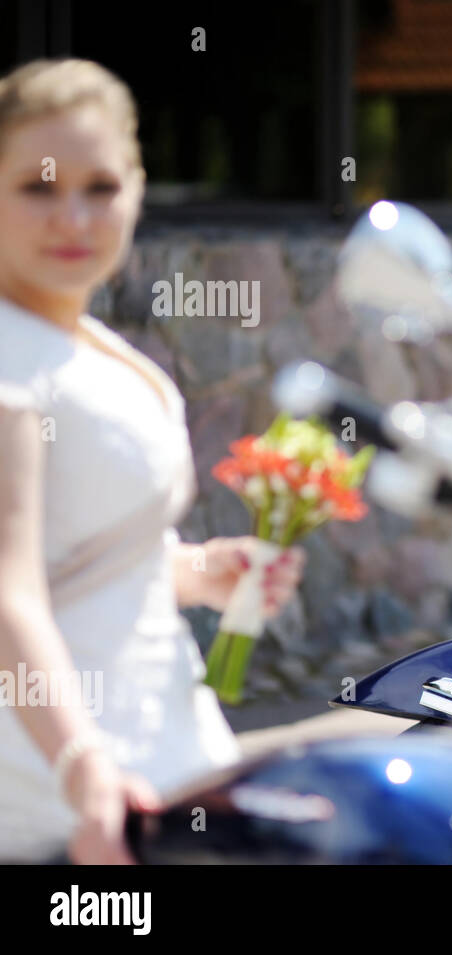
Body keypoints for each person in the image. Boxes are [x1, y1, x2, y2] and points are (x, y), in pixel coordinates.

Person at [0, 59, 305, 864]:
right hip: (69, 811)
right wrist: (84, 767)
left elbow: (86, 553)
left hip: (168, 767)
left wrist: (204, 570)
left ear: (136, 190)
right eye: (37, 186)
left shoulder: (89, 347)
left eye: (101, 186)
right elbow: (8, 588)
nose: (73, 214)